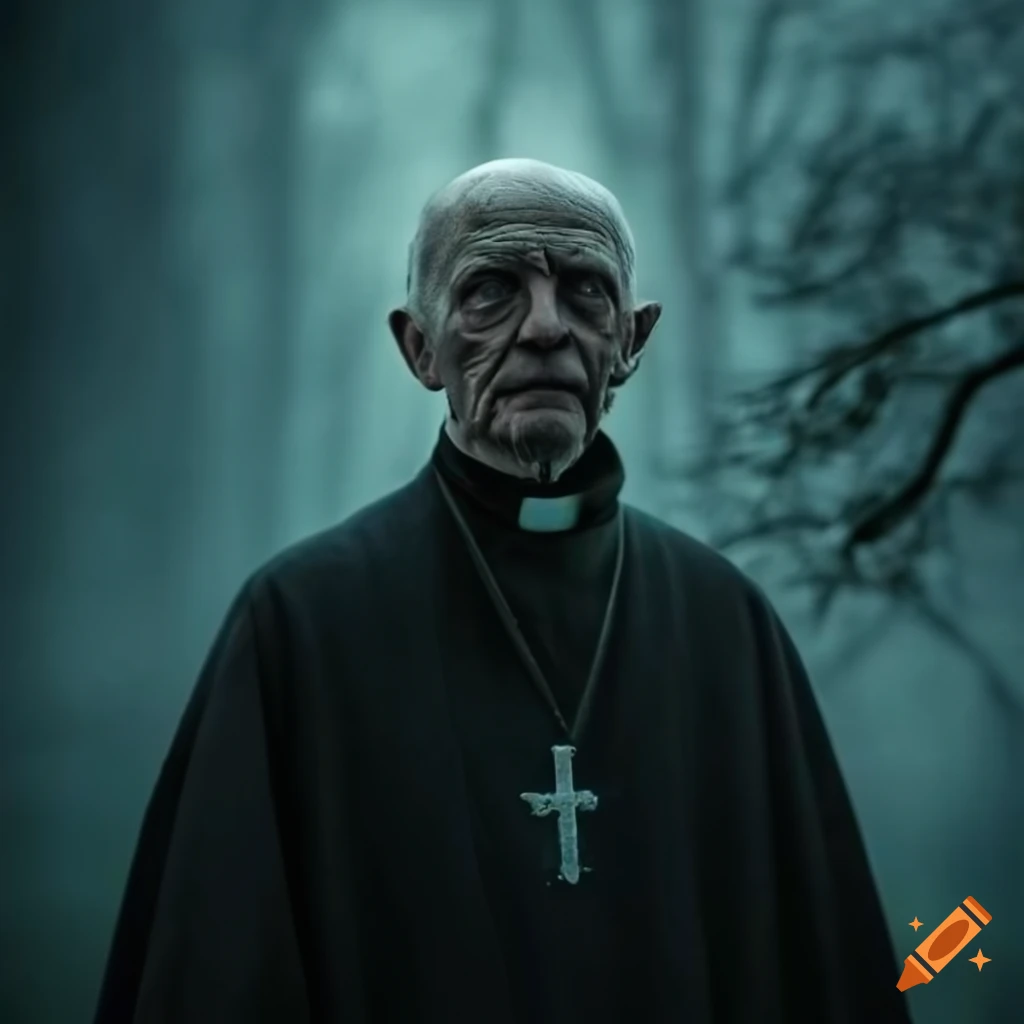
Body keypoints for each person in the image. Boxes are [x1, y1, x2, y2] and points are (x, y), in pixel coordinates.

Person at [94, 159, 912, 1023]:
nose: (547, 329)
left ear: (631, 340)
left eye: (586, 291)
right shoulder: (301, 626)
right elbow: (216, 977)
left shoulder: (727, 626)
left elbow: (826, 977)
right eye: (492, 291)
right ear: (420, 348)